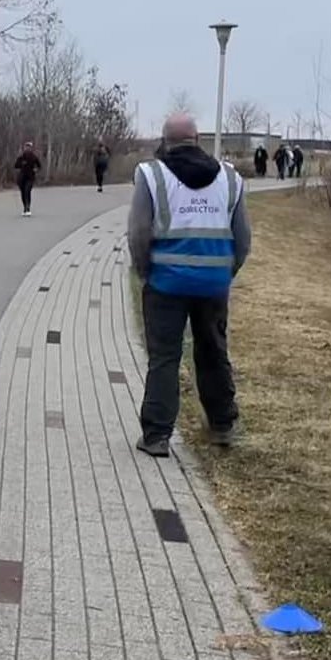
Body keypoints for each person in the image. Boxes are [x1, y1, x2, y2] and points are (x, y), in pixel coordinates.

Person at [128, 113, 251, 458]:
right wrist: (226, 273)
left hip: (165, 282)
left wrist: (144, 271)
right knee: (213, 351)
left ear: (165, 142)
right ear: (197, 140)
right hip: (213, 284)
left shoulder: (151, 175)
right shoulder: (230, 177)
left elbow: (138, 232)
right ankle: (223, 425)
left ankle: (156, 436)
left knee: (165, 356)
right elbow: (243, 238)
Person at [12, 141, 41, 216]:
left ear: (31, 148)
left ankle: (28, 208)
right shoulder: (21, 157)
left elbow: (39, 166)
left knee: (27, 191)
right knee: (23, 193)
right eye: (26, 147)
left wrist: (36, 169)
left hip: (30, 177)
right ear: (24, 148)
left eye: (29, 147)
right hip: (22, 178)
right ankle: (25, 207)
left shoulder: (34, 157)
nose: (27, 148)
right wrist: (21, 164)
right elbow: (16, 166)